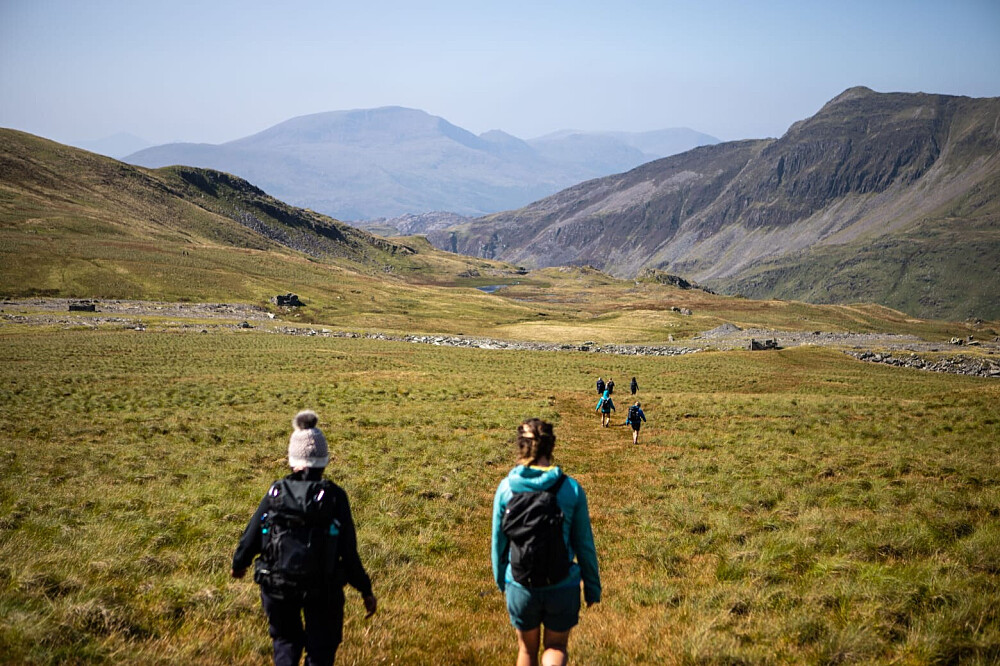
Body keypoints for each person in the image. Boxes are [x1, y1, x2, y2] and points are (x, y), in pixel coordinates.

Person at [232, 410, 377, 666]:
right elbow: (349, 551)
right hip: (323, 588)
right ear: (324, 461)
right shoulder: (334, 496)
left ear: (292, 460)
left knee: (285, 642)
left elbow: (252, 535)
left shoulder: (275, 491)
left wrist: (240, 564)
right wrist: (365, 589)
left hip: (277, 585)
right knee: (321, 649)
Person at [491, 419, 601, 666]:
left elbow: (498, 544)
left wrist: (502, 581)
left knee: (527, 651)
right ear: (552, 446)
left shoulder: (506, 489)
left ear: (521, 445)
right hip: (562, 584)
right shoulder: (571, 489)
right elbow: (584, 545)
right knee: (556, 647)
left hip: (520, 584)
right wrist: (592, 587)